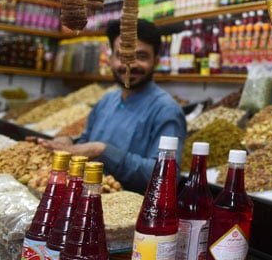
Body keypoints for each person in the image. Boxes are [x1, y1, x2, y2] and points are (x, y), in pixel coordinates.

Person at [38, 19, 186, 193]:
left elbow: (165, 178)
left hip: (129, 213)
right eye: (123, 56)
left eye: (141, 56)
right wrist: (69, 142)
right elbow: (86, 142)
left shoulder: (167, 110)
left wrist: (102, 151)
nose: (129, 65)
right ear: (110, 60)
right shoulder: (106, 101)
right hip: (86, 199)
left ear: (156, 61)